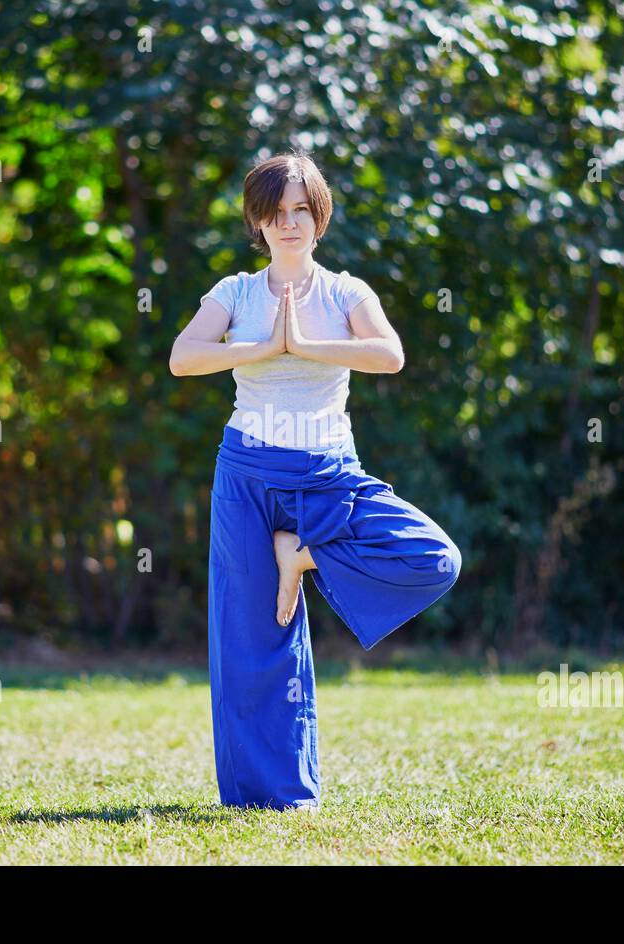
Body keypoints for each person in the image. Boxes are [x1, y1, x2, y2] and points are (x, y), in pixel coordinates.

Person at [169, 150, 462, 811]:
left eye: (301, 209)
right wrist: (264, 347)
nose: (290, 223)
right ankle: (265, 796)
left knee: (434, 557)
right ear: (259, 223)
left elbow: (389, 355)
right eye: (276, 213)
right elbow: (183, 358)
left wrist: (304, 343)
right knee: (251, 640)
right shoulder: (235, 294)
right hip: (247, 474)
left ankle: (300, 554)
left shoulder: (345, 293)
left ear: (319, 216)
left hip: (329, 475)